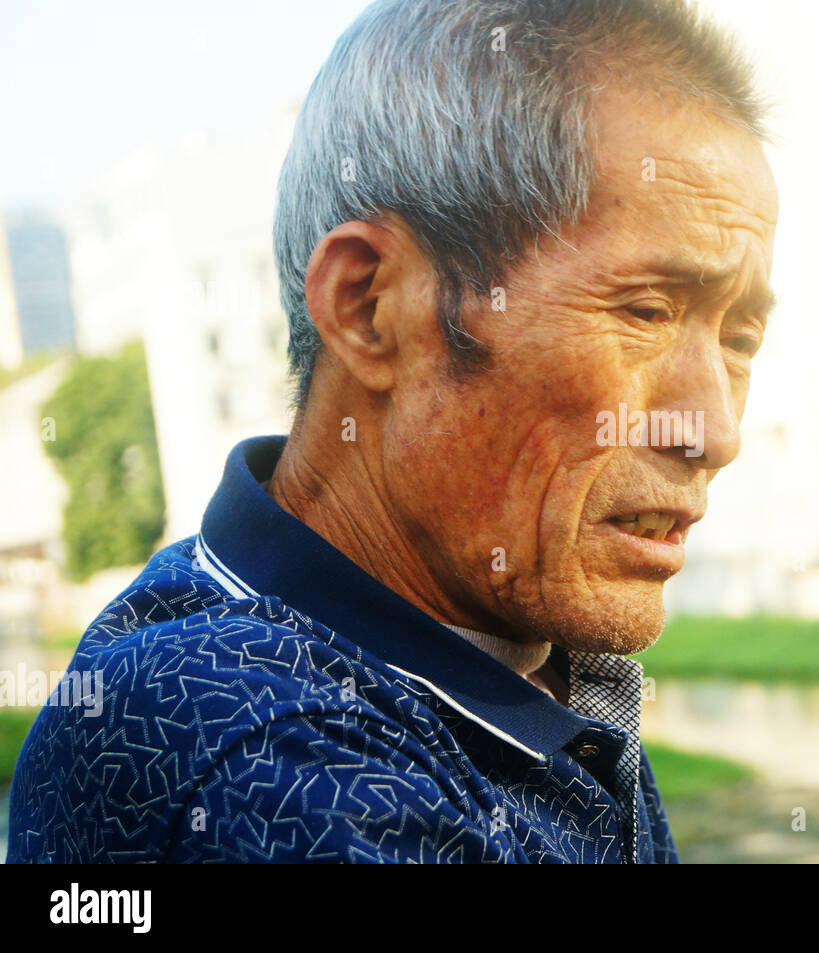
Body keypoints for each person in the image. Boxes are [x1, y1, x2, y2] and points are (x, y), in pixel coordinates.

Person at [7, 0, 778, 863]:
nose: (714, 430)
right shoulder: (267, 758)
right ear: (370, 308)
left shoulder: (514, 652)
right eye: (645, 310)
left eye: (739, 338)